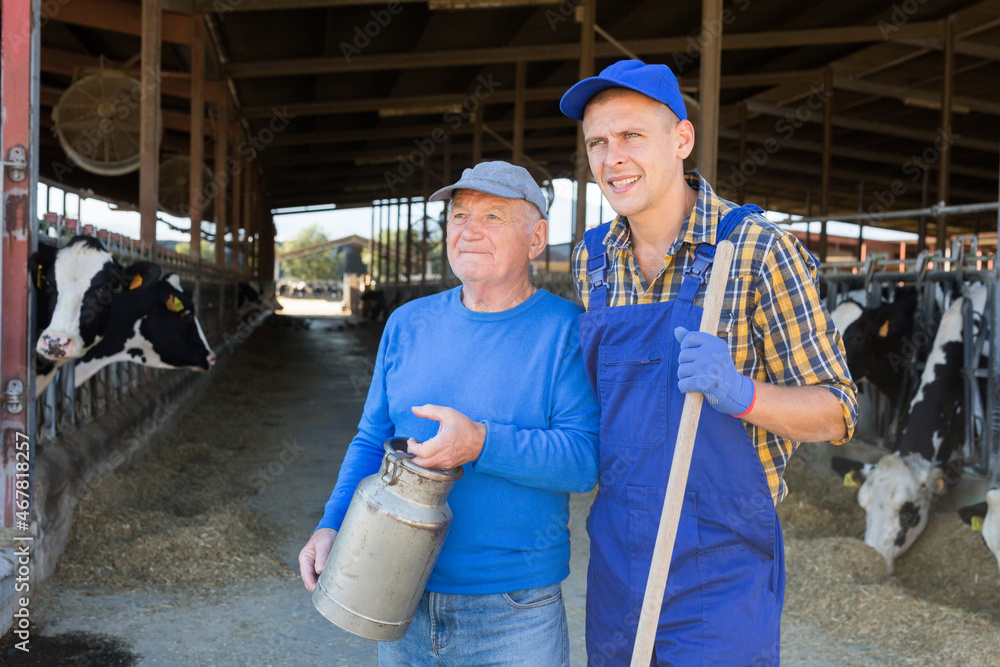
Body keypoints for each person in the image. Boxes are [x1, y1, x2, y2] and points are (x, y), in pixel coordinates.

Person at [558, 60, 858, 665]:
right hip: (619, 560)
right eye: (598, 142)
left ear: (682, 139)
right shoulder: (593, 261)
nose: (612, 157)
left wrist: (741, 392)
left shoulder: (756, 250)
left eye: (632, 136)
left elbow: (838, 413)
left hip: (721, 570)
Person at [299, 161, 600, 666]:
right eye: (458, 216)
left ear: (537, 237)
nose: (469, 230)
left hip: (514, 610)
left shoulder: (566, 330)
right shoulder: (407, 323)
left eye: (494, 216)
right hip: (397, 592)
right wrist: (331, 523)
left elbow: (584, 461)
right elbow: (372, 439)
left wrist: (480, 442)